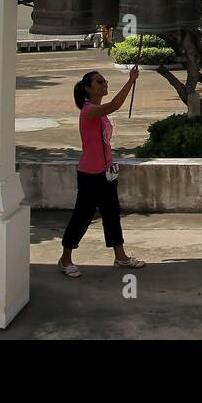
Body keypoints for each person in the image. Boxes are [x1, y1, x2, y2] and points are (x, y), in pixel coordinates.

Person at [59, 67, 146, 277]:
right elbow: (115, 105)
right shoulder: (89, 111)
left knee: (111, 214)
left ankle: (120, 256)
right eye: (99, 82)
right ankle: (65, 259)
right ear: (88, 89)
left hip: (106, 172)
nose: (104, 84)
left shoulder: (98, 112)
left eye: (105, 81)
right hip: (90, 174)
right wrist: (131, 81)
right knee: (83, 216)